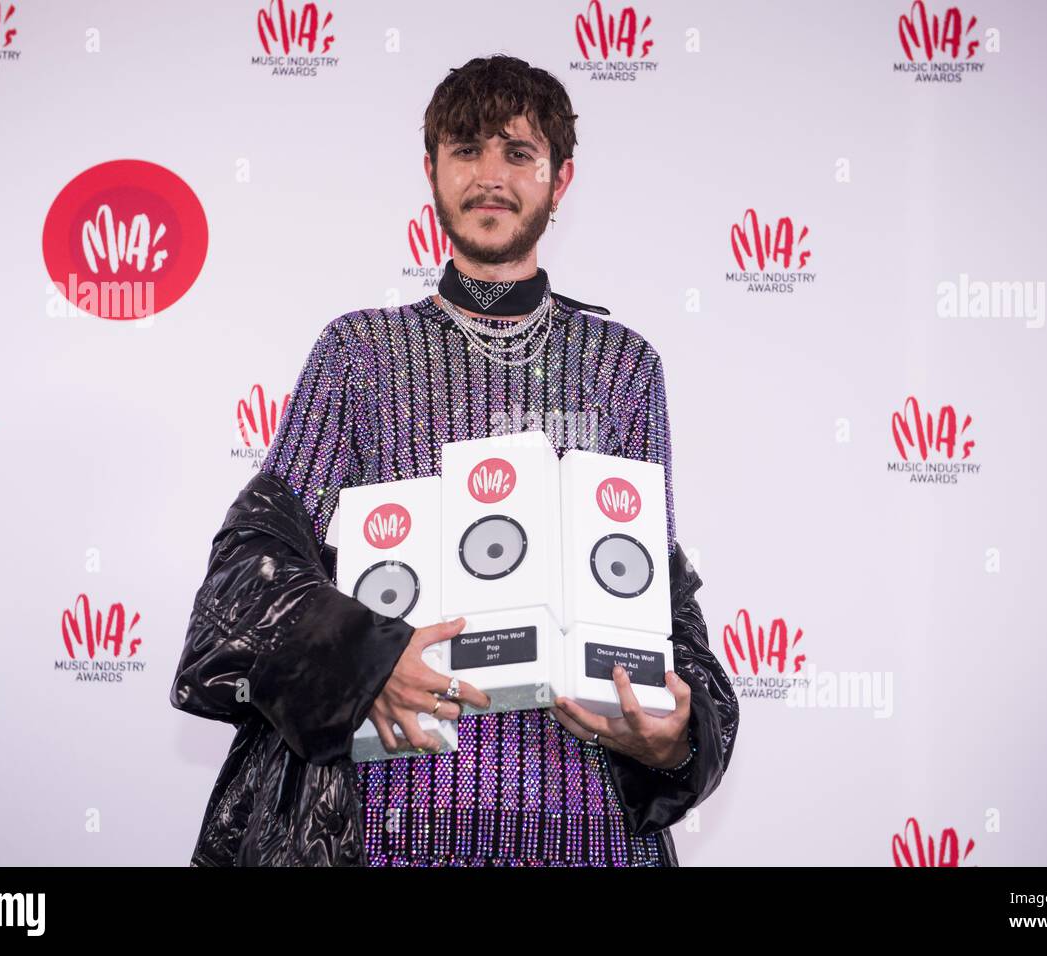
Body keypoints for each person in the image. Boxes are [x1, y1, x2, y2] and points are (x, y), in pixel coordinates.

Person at [170, 54, 739, 867]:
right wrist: (365, 658)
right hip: (387, 819)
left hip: (583, 826)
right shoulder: (358, 353)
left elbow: (656, 597)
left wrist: (677, 735)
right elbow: (250, 571)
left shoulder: (623, 367)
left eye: (518, 152)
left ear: (561, 178)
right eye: (466, 150)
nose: (491, 176)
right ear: (431, 169)